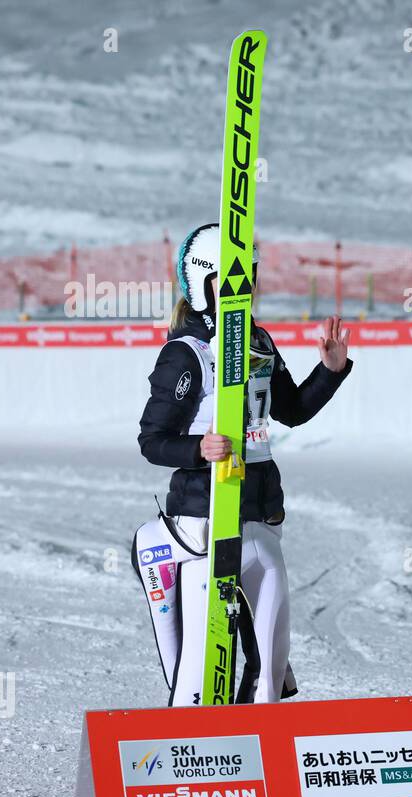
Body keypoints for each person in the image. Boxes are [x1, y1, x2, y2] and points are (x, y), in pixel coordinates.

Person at [134, 223, 353, 706]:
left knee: (271, 670)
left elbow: (290, 409)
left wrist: (330, 372)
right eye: (230, 280)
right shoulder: (185, 354)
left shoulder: (259, 341)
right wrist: (198, 449)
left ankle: (259, 758)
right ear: (201, 283)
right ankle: (189, 757)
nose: (242, 289)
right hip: (203, 521)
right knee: (201, 673)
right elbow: (152, 441)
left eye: (249, 277)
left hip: (260, 519)